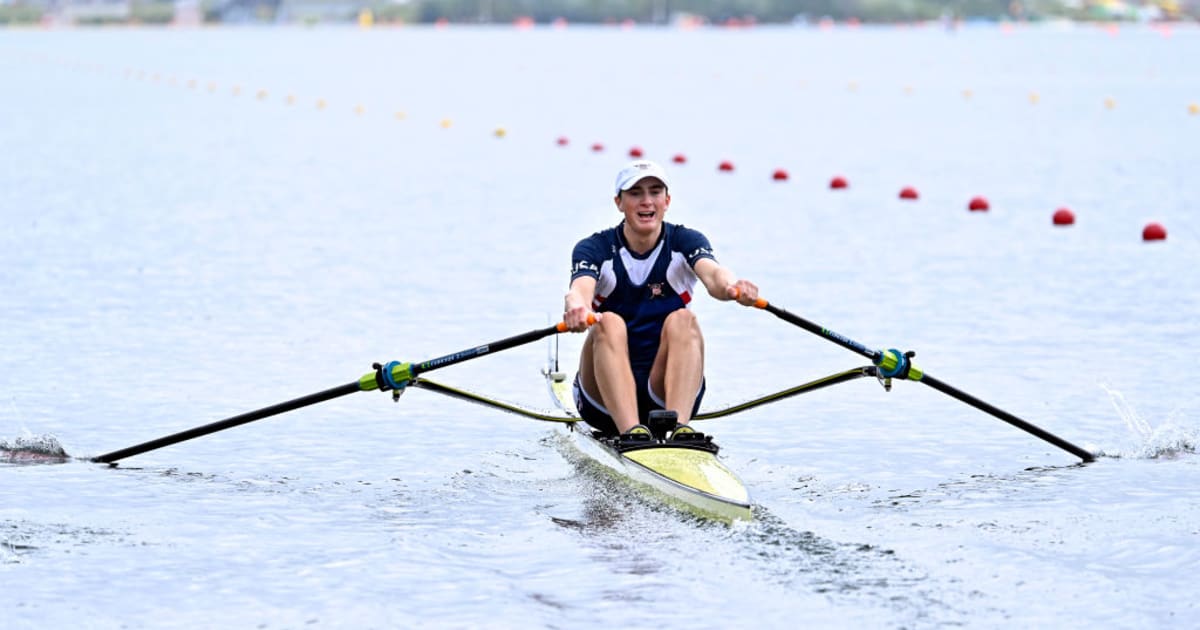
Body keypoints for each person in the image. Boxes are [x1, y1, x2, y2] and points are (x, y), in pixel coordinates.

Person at [562, 159, 760, 441]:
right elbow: (580, 290)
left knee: (684, 319)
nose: (646, 201)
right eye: (635, 193)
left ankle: (679, 429)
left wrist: (732, 287)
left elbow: (715, 275)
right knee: (608, 322)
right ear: (619, 202)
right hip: (603, 400)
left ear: (667, 201)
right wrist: (576, 308)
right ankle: (631, 432)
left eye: (655, 192)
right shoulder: (594, 248)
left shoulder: (684, 241)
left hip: (664, 390)